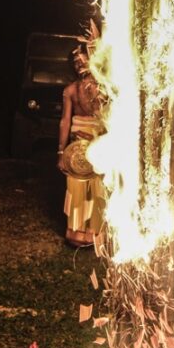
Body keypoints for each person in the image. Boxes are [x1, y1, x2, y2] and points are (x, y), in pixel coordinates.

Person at [57, 46, 105, 247]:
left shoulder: (105, 87)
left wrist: (100, 137)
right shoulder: (70, 90)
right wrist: (61, 152)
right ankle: (76, 234)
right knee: (76, 189)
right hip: (76, 148)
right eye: (75, 62)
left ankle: (95, 234)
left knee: (97, 189)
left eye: (82, 60)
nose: (79, 65)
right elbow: (65, 121)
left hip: (100, 143)